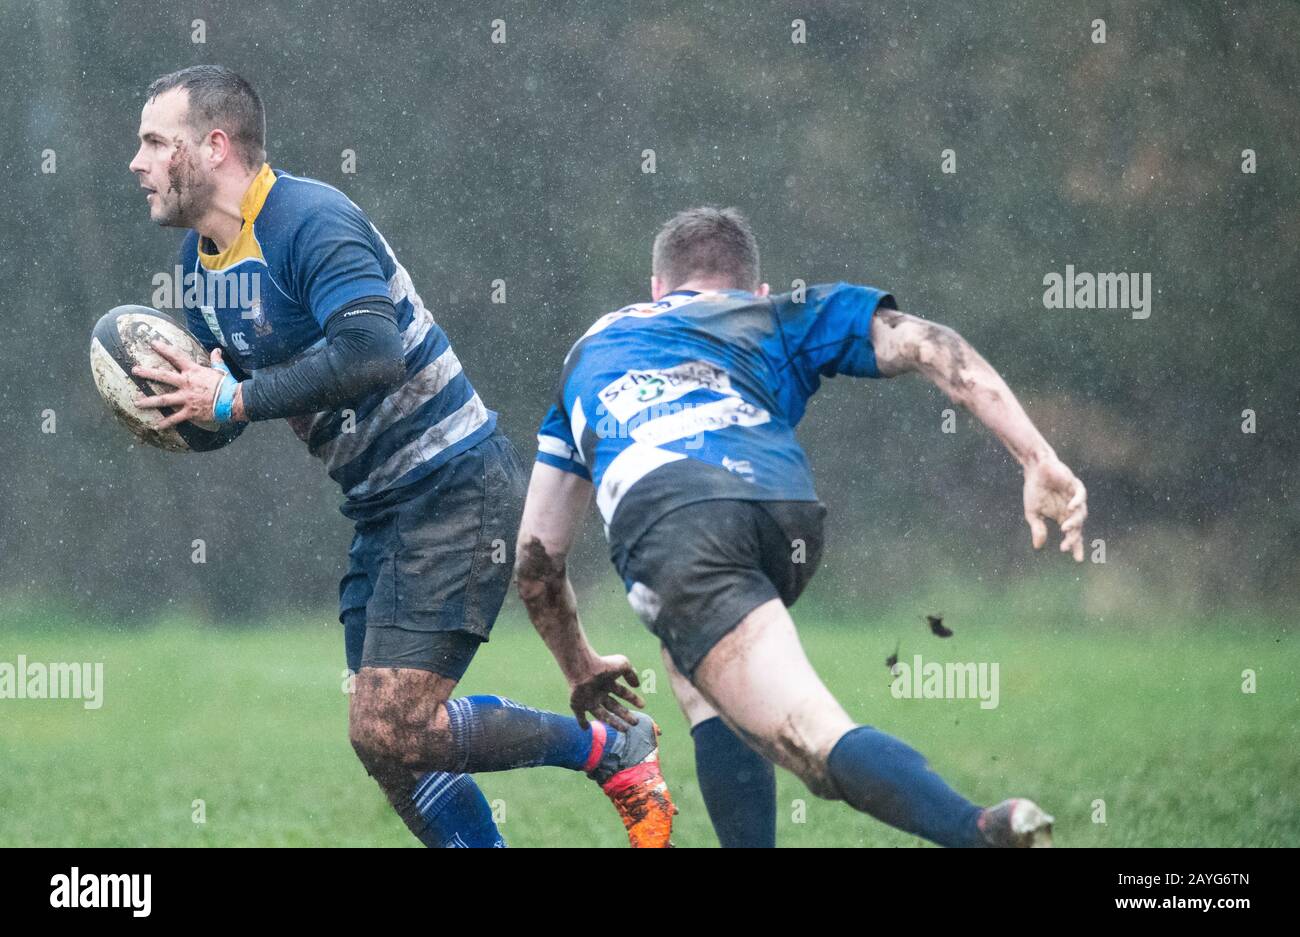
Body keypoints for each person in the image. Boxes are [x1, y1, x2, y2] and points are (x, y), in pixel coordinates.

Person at [126, 64, 674, 848]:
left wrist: (234, 398)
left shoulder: (310, 221)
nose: (137, 162)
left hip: (453, 482)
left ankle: (607, 749)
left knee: (395, 726)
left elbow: (370, 350)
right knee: (386, 746)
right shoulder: (197, 267)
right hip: (380, 505)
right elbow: (244, 400)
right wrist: (191, 405)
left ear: (214, 146)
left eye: (154, 141)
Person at [515, 206, 1087, 847]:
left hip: (677, 521)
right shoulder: (774, 314)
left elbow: (537, 560)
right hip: (785, 512)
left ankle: (979, 830)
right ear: (753, 288)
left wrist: (579, 666)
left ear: (656, 288)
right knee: (698, 671)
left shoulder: (593, 348)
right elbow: (930, 345)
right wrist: (1037, 457)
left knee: (811, 738)